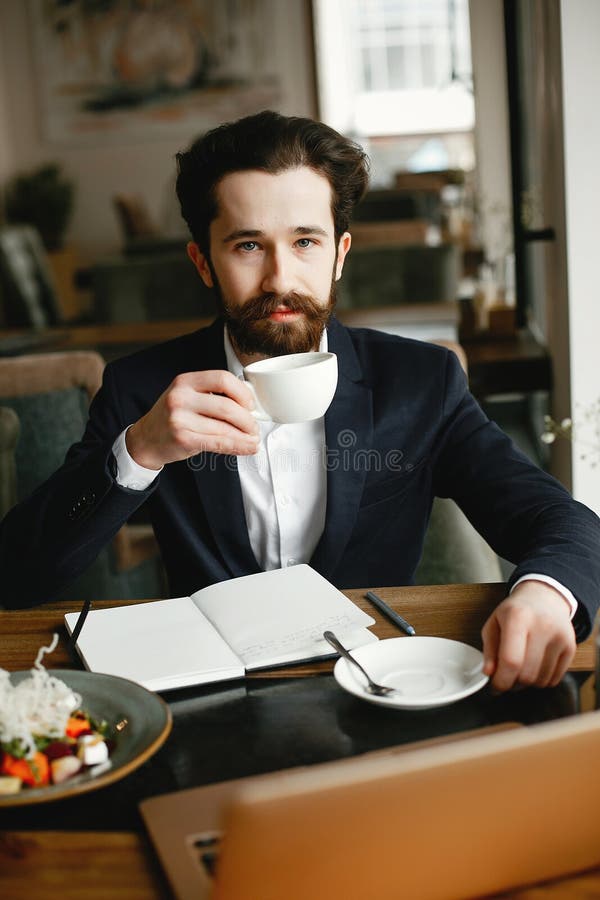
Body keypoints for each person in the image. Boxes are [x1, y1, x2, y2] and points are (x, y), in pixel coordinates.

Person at [1, 111, 598, 693]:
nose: (280, 279)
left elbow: (563, 523)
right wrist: (138, 452)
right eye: (248, 247)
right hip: (213, 700)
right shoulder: (141, 388)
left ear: (339, 253)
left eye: (305, 242)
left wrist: (546, 592)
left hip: (382, 686)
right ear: (203, 262)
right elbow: (19, 575)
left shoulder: (421, 380)